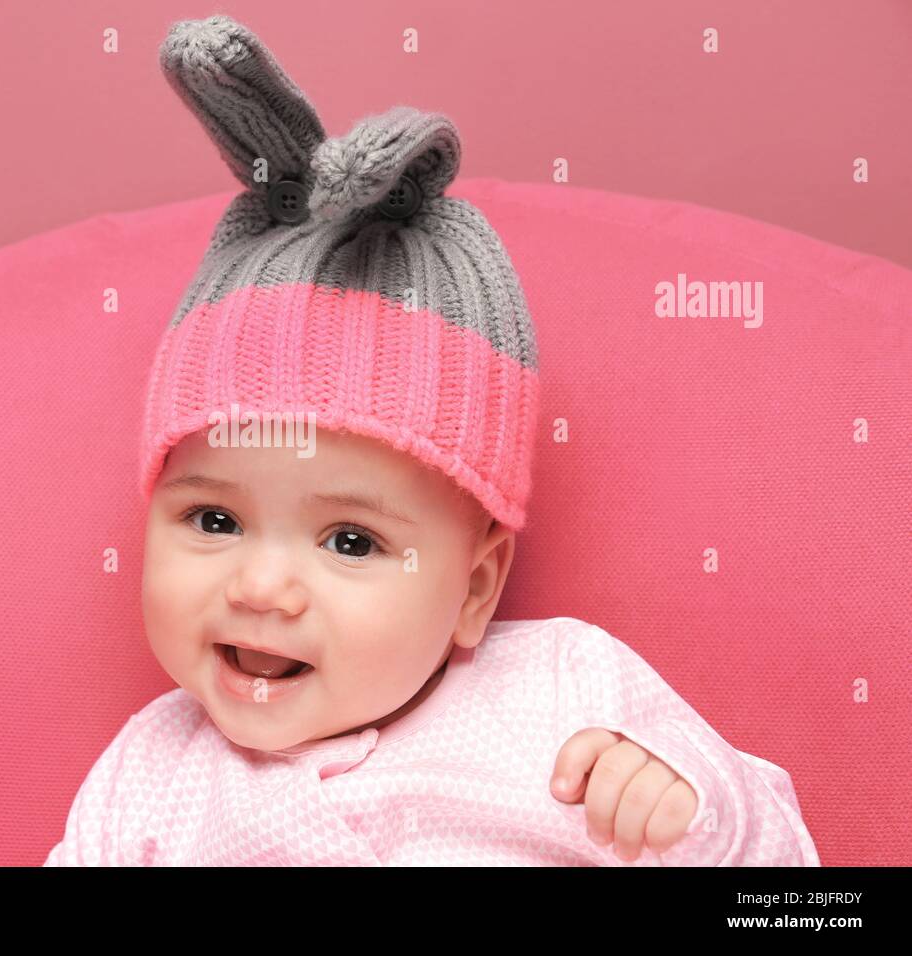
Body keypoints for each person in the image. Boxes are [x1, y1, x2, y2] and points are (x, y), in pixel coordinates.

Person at [45, 14, 818, 866]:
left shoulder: (562, 698)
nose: (261, 586)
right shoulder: (150, 777)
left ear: (476, 588)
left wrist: (691, 812)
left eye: (351, 540)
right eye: (214, 521)